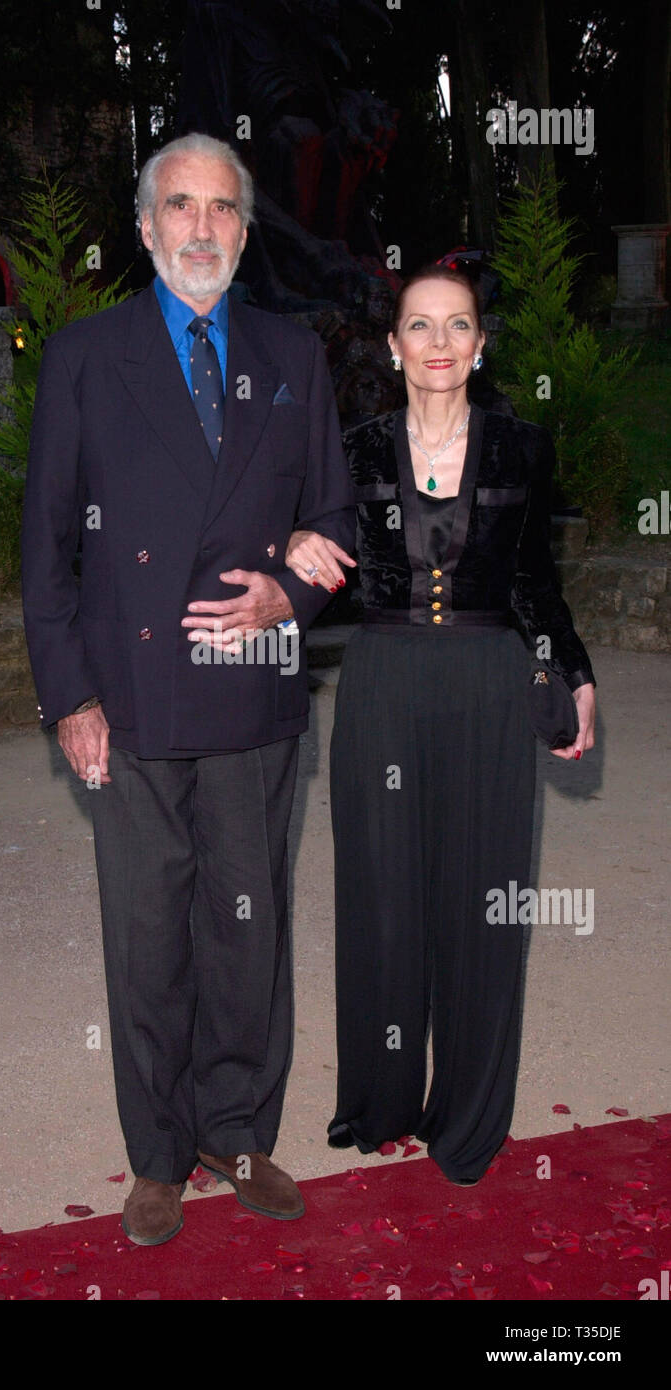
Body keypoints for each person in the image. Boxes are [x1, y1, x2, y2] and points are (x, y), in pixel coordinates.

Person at [21, 132, 356, 1243]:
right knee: (150, 935)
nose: (203, 227)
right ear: (147, 225)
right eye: (182, 206)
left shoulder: (291, 353)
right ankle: (159, 1154)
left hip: (256, 695)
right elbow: (48, 549)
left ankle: (236, 1130)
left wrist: (286, 602)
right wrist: (69, 696)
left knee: (248, 932)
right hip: (134, 701)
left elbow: (341, 520)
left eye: (223, 209)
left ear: (246, 232)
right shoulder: (84, 357)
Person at [285, 264, 596, 1186]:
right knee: (382, 895)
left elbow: (537, 575)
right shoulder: (352, 447)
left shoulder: (522, 446)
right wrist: (291, 539)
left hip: (491, 683)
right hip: (380, 686)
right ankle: (381, 1099)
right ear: (393, 345)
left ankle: (468, 1113)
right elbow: (291, 524)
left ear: (480, 344)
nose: (439, 345)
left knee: (483, 897)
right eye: (419, 327)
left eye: (457, 327)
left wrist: (572, 676)